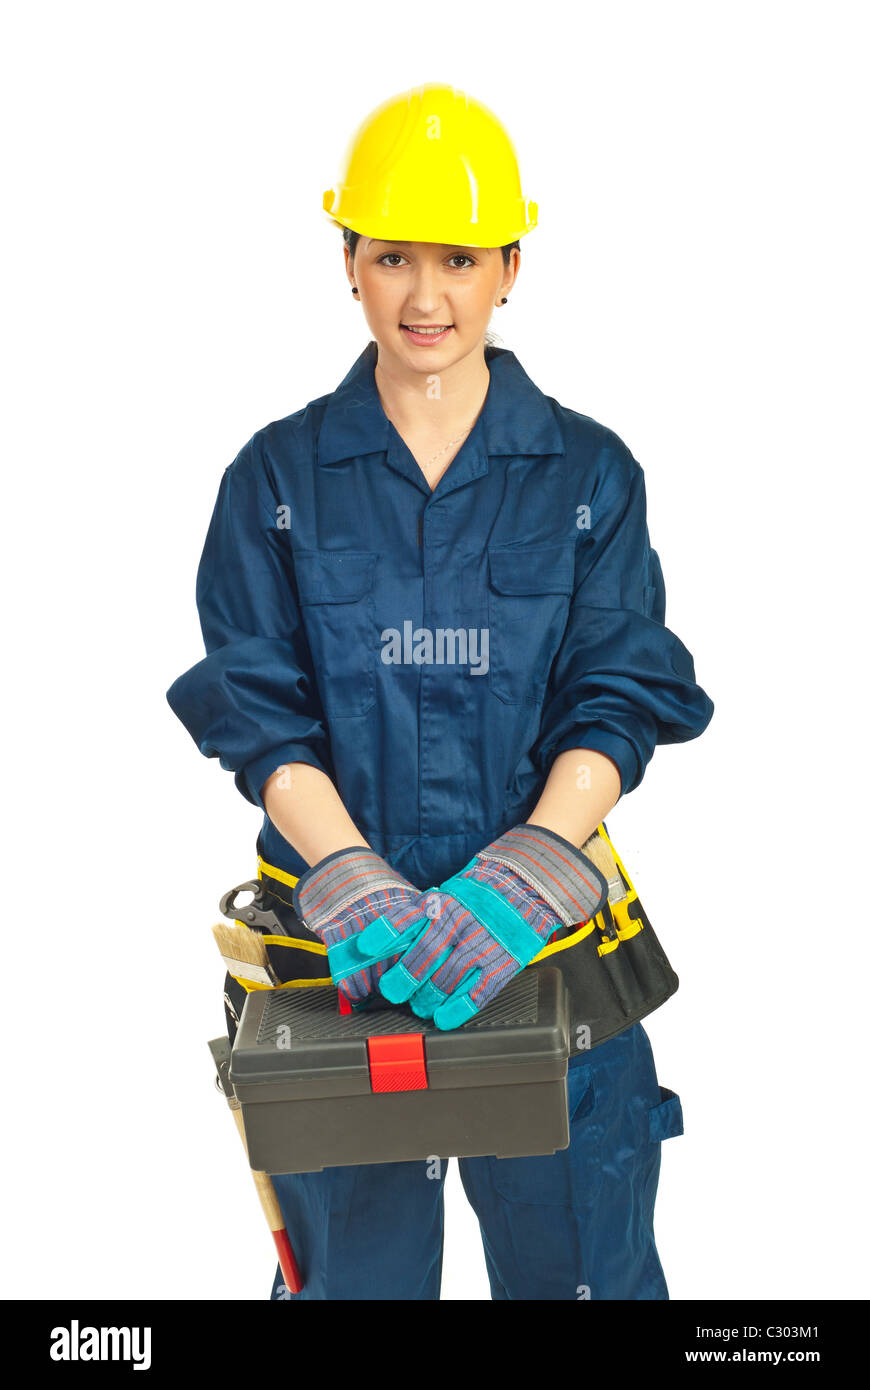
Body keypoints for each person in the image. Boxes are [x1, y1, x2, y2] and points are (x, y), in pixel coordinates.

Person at [166, 82, 714, 1300]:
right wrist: (346, 869)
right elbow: (257, 706)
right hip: (343, 971)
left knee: (589, 1283)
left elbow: (618, 691)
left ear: (511, 265)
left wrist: (534, 860)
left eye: (459, 258)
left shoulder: (589, 473)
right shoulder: (274, 477)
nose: (425, 296)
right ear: (346, 265)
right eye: (392, 256)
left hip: (554, 959)